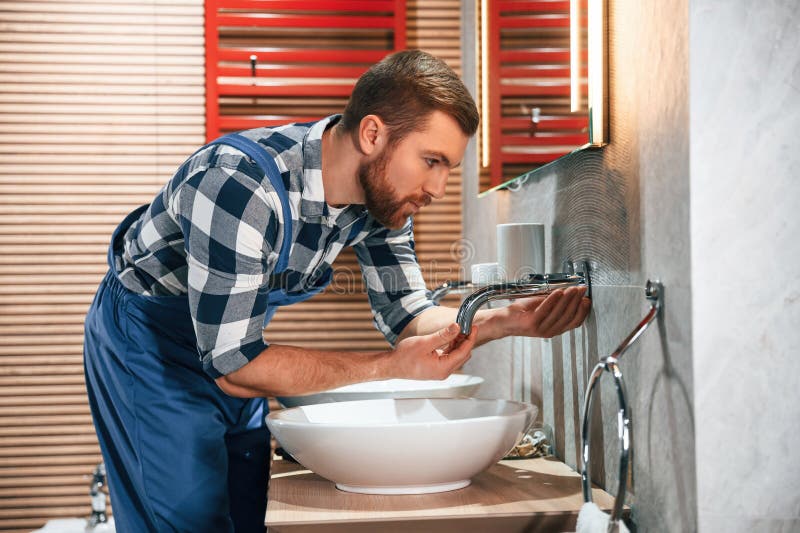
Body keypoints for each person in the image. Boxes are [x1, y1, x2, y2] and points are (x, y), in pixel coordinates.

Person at [83, 49, 591, 533]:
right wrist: (393, 367)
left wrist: (501, 323)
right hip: (148, 346)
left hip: (229, 344)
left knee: (245, 508)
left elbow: (408, 315)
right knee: (190, 516)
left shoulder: (383, 200)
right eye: (431, 160)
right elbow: (235, 365)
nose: (437, 188)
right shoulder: (239, 186)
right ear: (373, 133)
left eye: (448, 169)